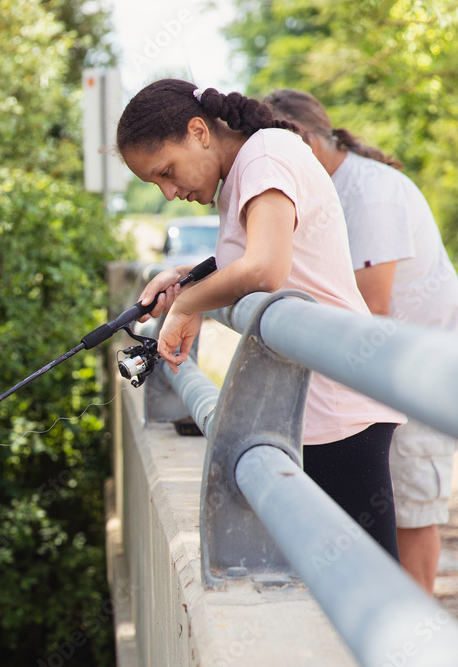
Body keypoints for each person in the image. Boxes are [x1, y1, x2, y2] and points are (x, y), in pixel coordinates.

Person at [115, 78, 406, 558]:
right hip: (309, 406)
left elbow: (265, 269)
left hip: (337, 412)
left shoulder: (265, 157)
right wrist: (185, 278)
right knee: (333, 592)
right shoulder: (243, 174)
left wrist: (187, 304)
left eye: (167, 171)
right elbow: (258, 265)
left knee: (370, 592)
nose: (169, 192)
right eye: (156, 183)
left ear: (199, 132)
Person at [264, 88, 458, 594]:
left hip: (415, 373)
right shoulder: (327, 188)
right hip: (374, 379)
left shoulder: (369, 191)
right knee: (379, 524)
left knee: (411, 520)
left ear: (301, 139)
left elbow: (371, 306)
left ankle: (415, 642)